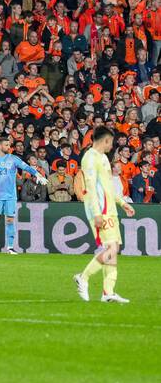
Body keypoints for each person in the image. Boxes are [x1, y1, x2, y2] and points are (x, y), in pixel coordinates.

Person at [75, 126, 135, 304]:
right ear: (106, 140)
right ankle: (83, 277)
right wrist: (97, 212)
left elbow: (108, 186)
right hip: (99, 209)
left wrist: (123, 203)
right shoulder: (90, 158)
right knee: (111, 249)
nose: (112, 146)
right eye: (111, 142)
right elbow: (91, 187)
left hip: (110, 209)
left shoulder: (103, 158)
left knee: (113, 250)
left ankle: (108, 292)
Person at [0, 135, 46, 254]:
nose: (9, 147)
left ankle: (10, 247)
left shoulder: (14, 159)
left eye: (9, 145)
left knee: (10, 220)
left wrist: (38, 175)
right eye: (6, 145)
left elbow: (27, 167)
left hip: (10, 196)